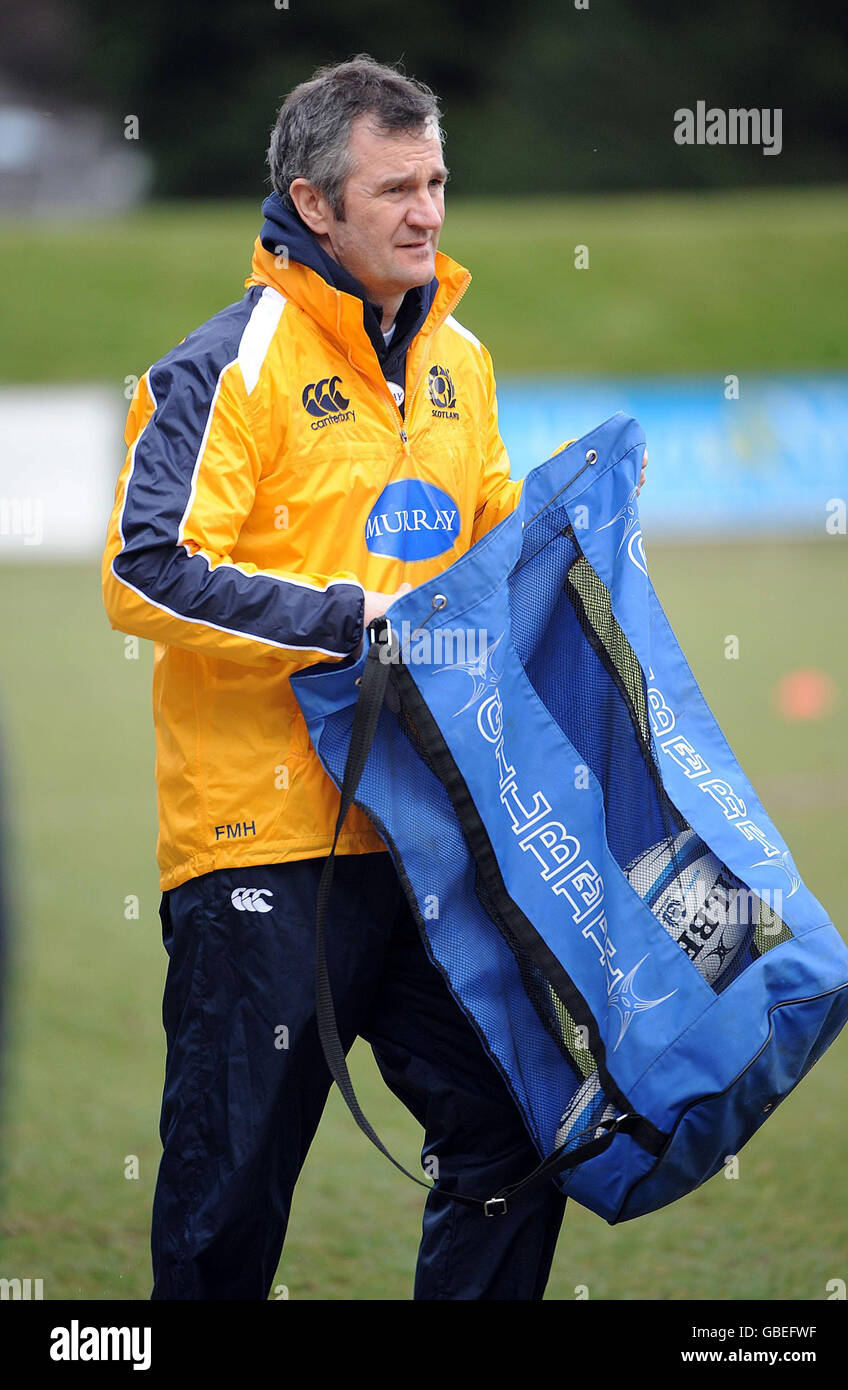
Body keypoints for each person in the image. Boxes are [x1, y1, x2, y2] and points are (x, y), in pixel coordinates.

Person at [102, 54, 646, 1301]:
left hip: (427, 840)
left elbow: (495, 557)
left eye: (437, 181)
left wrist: (576, 546)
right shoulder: (224, 364)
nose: (426, 211)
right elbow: (145, 571)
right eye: (393, 186)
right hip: (263, 846)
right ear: (313, 204)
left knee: (516, 1136)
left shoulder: (464, 357)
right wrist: (353, 618)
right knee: (227, 1200)